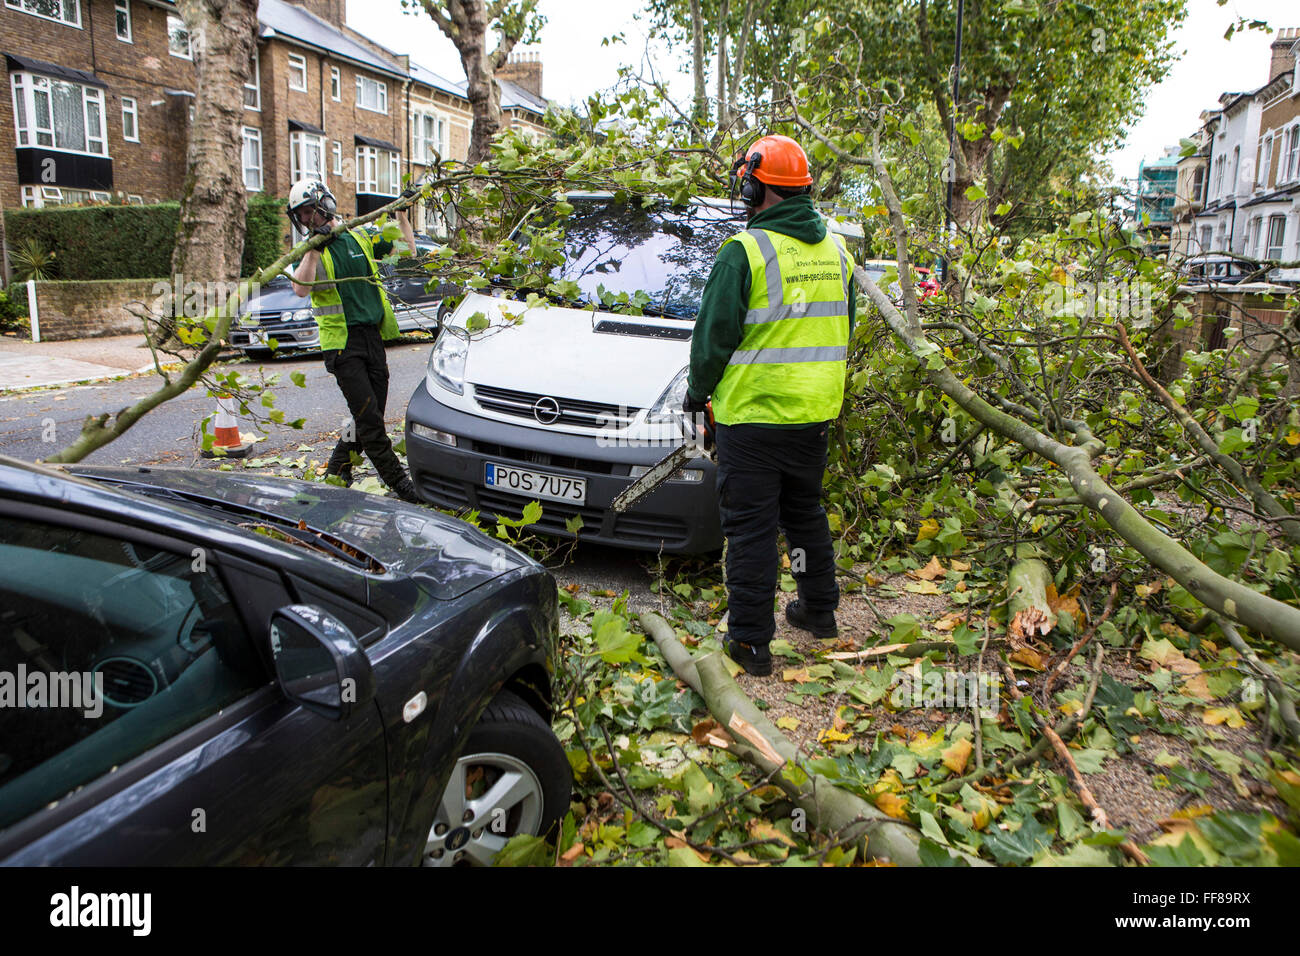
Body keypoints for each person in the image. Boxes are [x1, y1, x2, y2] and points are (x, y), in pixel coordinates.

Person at [684, 135, 856, 676]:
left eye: (746, 183)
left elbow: (714, 337)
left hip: (754, 417)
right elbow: (839, 330)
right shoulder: (839, 255)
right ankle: (818, 609)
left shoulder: (745, 252)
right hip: (813, 416)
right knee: (804, 514)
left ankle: (752, 643)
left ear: (759, 186)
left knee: (752, 530)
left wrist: (696, 395)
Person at [287, 179, 421, 503]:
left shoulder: (360, 235)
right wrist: (315, 248)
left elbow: (407, 252)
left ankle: (336, 473)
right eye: (301, 215)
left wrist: (402, 215)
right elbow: (300, 288)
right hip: (342, 345)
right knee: (371, 421)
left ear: (325, 205)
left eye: (309, 211)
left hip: (372, 338)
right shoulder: (307, 251)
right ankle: (400, 484)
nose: (306, 220)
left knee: (366, 417)